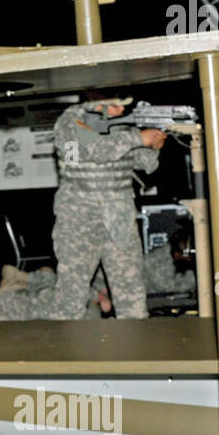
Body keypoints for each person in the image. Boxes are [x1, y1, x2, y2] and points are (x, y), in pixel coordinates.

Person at [47, 97, 165, 319]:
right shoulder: (69, 123)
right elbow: (93, 150)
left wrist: (154, 144)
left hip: (118, 220)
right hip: (79, 221)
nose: (120, 110)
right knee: (71, 294)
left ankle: (135, 348)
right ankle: (64, 349)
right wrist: (138, 137)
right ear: (93, 102)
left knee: (131, 293)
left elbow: (146, 164)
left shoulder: (119, 127)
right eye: (114, 104)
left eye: (123, 106)